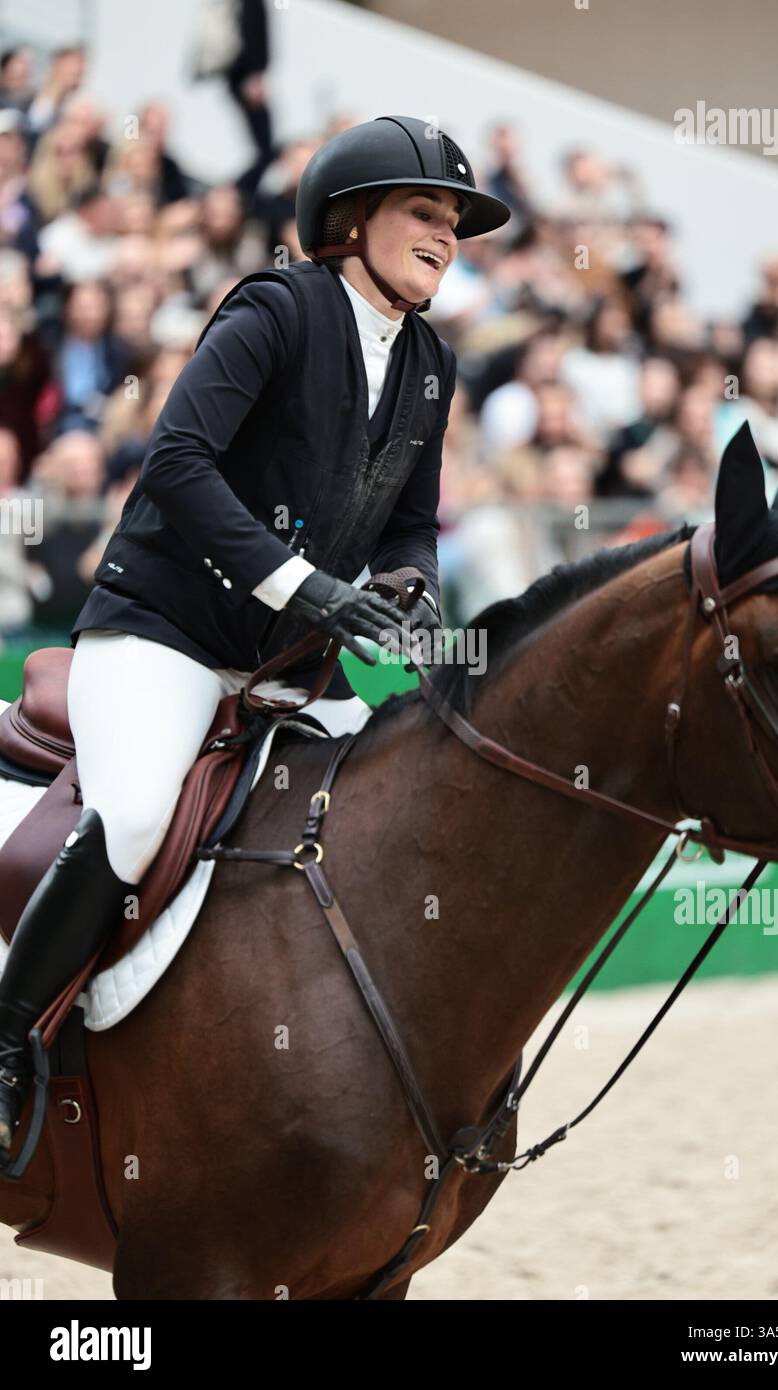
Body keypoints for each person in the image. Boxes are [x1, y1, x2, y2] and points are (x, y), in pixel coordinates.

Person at [0, 114, 510, 1165]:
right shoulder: (276, 310)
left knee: (410, 803)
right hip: (165, 634)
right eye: (423, 211)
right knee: (135, 816)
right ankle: (7, 1040)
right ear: (348, 219)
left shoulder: (429, 363)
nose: (444, 234)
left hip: (292, 664)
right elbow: (177, 461)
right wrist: (315, 587)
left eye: (454, 220)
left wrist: (404, 586)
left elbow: (411, 519)